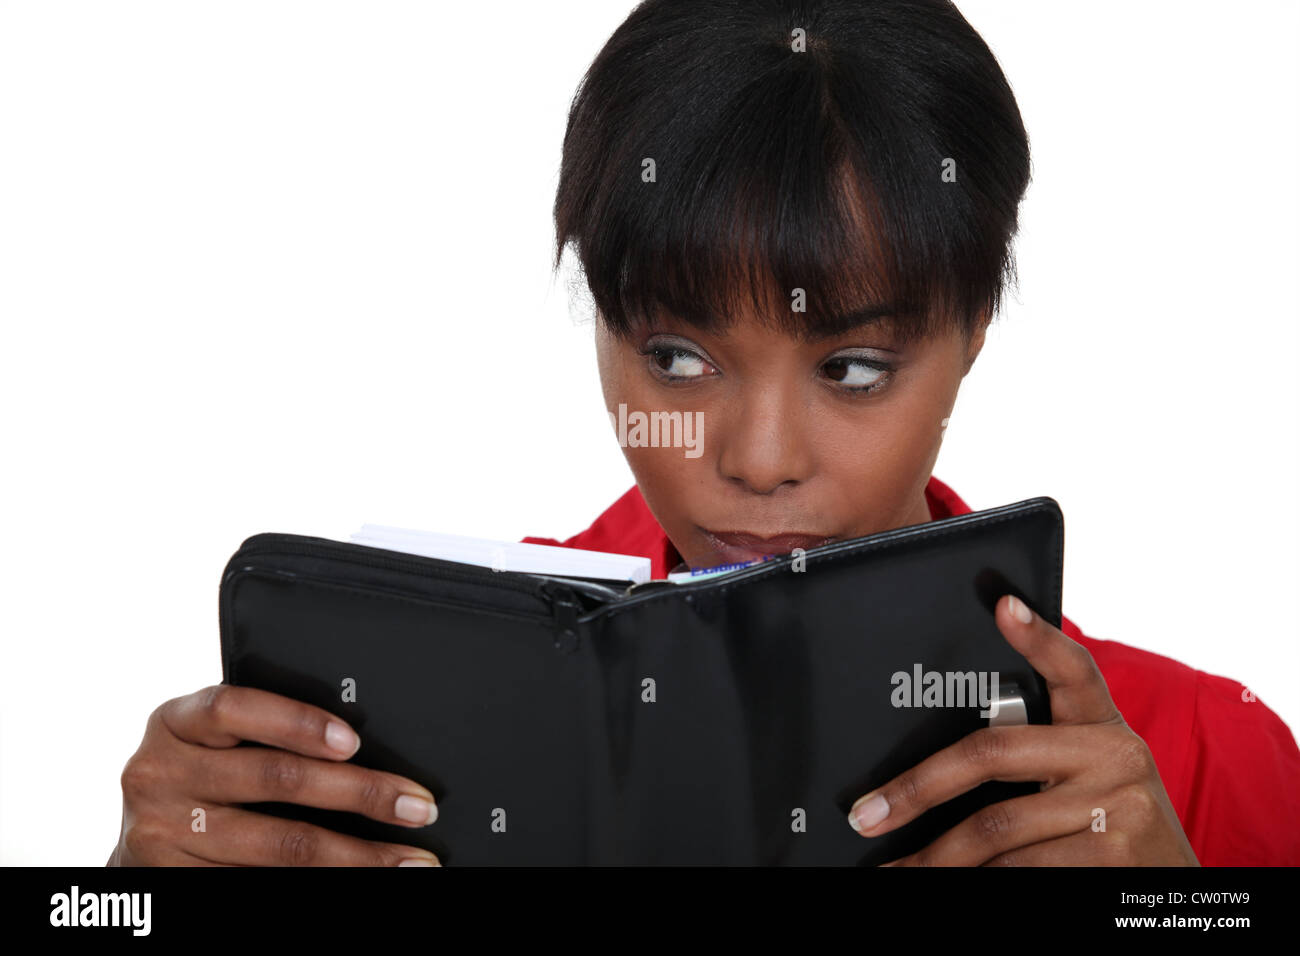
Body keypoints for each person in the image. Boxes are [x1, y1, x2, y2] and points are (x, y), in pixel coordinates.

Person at [108, 0, 1300, 867]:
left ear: (974, 327)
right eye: (676, 356)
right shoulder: (400, 724)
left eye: (853, 366)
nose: (757, 457)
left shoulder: (1202, 759)